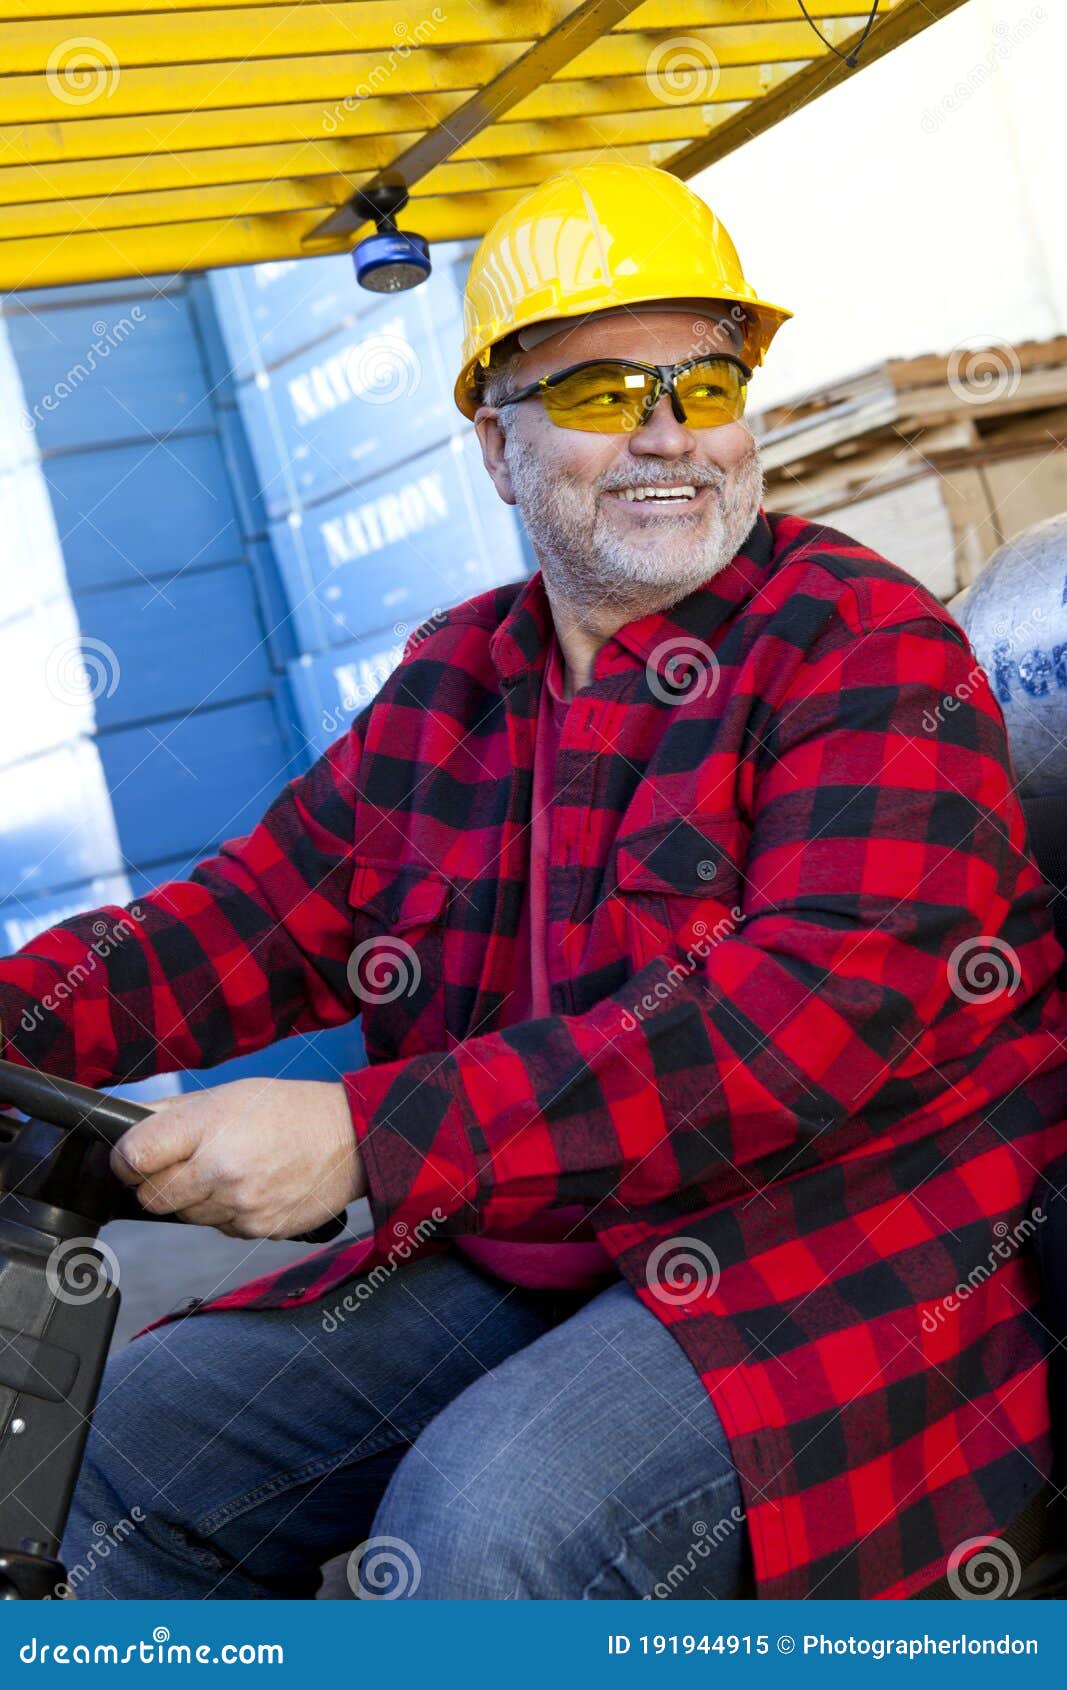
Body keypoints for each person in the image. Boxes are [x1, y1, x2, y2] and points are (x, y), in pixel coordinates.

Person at [2, 163, 1065, 1601]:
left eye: (706, 382)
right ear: (495, 445)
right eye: (602, 394)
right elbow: (240, 924)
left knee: (486, 1525)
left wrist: (368, 1139)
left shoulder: (868, 650)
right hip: (553, 1237)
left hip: (841, 1243)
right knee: (129, 1449)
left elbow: (779, 1032)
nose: (669, 438)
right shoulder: (454, 682)